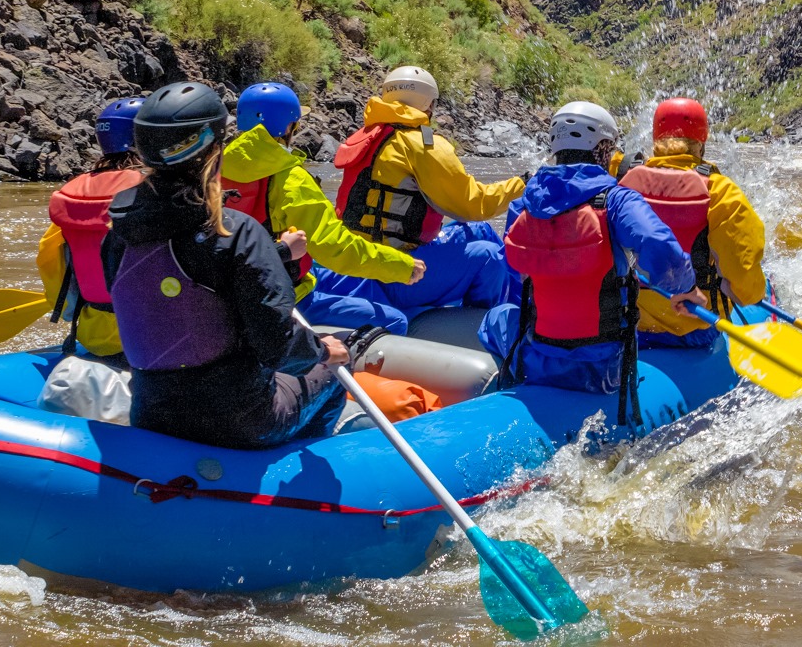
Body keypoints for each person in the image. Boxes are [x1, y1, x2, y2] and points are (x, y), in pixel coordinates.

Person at [102, 81, 349, 449]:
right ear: (214, 150)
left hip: (152, 412)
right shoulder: (237, 231)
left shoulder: (117, 233)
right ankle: (297, 474)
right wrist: (323, 351)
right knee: (332, 373)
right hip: (242, 421)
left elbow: (182, 286)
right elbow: (277, 347)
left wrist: (275, 255)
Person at [478, 101, 702, 425]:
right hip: (603, 368)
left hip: (538, 359)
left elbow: (514, 277)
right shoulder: (616, 199)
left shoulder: (523, 203)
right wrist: (685, 288)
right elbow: (658, 245)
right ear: (603, 149)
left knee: (496, 316)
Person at [320, 65, 525, 321]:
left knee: (479, 230)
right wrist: (522, 185)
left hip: (363, 261)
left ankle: (515, 305)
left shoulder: (370, 136)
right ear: (428, 102)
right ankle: (486, 325)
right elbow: (473, 204)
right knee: (488, 255)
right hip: (394, 274)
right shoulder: (422, 144)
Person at [221, 82, 427, 334]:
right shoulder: (291, 179)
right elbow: (334, 248)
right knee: (396, 320)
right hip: (283, 297)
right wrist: (402, 266)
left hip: (231, 288)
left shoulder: (214, 168)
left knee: (333, 276)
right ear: (288, 127)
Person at [620, 97, 767, 346]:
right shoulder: (720, 191)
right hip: (697, 329)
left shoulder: (624, 183)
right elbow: (746, 291)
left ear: (656, 140)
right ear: (701, 142)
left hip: (630, 324)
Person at [36, 97, 145, 359]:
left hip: (92, 333)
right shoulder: (154, 190)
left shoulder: (72, 191)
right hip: (150, 336)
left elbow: (50, 263)